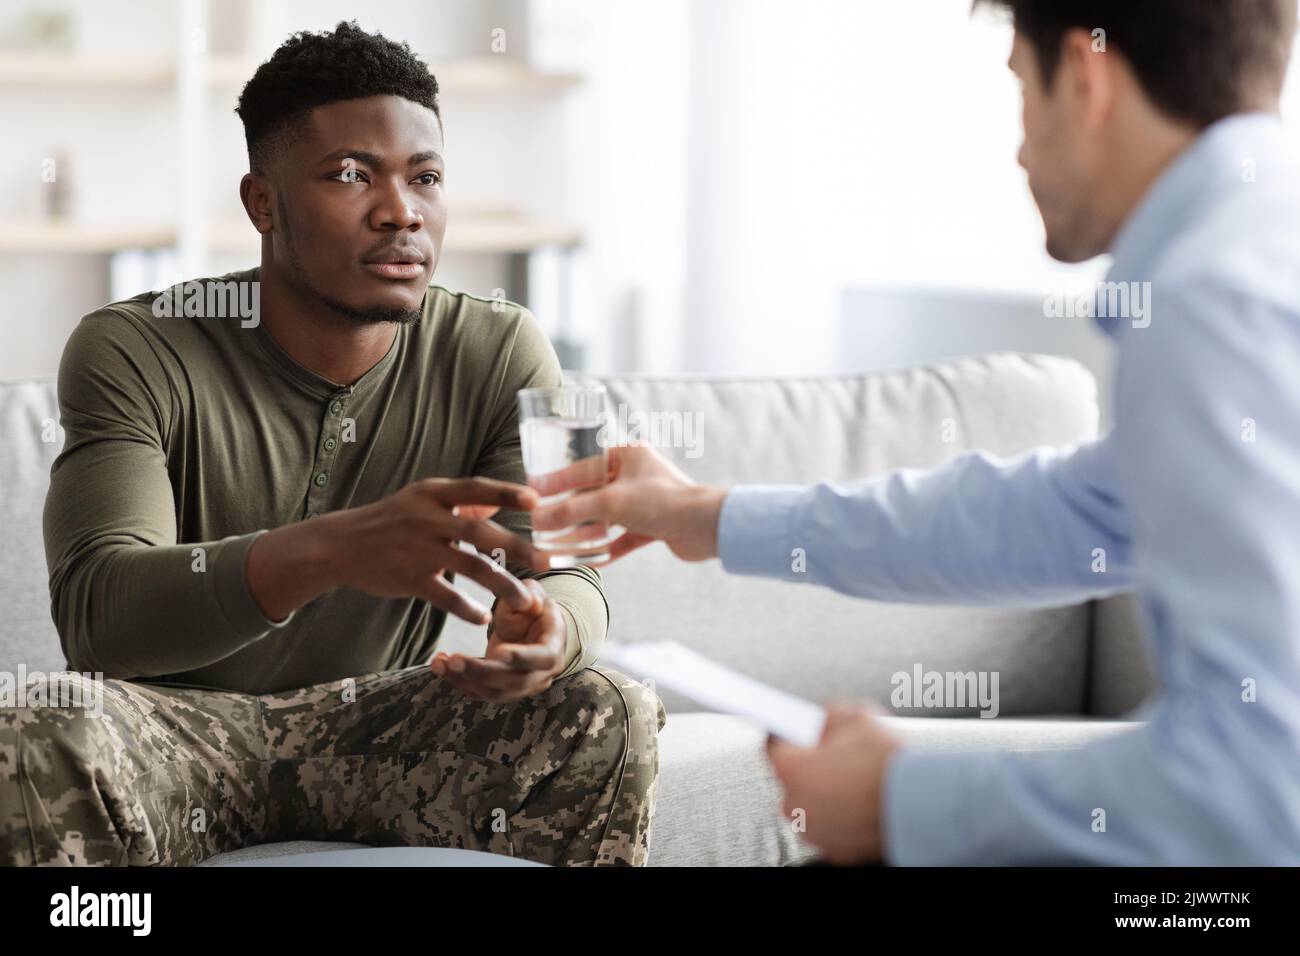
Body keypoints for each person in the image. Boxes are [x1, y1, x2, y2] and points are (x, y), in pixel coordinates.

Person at [533, 0, 1300, 864]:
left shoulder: (1214, 299)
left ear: (1084, 78)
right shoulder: (1255, 255)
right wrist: (706, 515)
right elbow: (1063, 517)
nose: (1018, 148)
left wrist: (904, 803)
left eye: (1019, 90)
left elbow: (1254, 788)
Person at [0, 21, 662, 867]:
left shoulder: (503, 348)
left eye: (425, 178)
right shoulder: (134, 346)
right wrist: (335, 548)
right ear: (262, 202)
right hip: (169, 734)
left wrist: (550, 633)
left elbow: (569, 569)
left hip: (378, 728)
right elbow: (101, 619)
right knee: (42, 723)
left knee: (606, 704)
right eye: (352, 175)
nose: (401, 211)